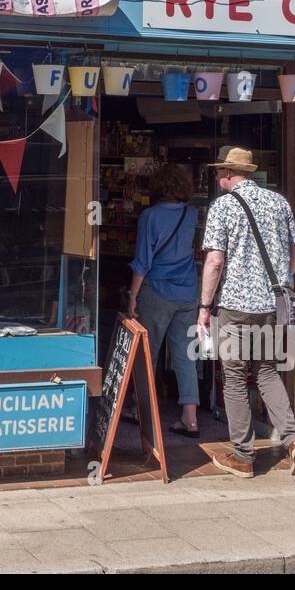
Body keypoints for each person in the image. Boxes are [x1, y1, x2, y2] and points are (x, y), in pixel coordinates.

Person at [198, 146, 295, 477]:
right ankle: (294, 442)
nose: (218, 176)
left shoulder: (222, 207)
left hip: (235, 306)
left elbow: (215, 261)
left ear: (230, 174)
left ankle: (244, 456)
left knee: (233, 377)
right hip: (272, 306)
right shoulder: (279, 203)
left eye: (220, 171)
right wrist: (280, 280)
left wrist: (205, 307)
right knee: (266, 371)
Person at [126, 163, 200, 437]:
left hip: (157, 291)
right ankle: (190, 418)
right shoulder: (191, 214)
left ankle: (141, 410)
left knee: (148, 353)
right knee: (185, 356)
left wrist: (133, 295)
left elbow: (143, 261)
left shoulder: (150, 216)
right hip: (188, 292)